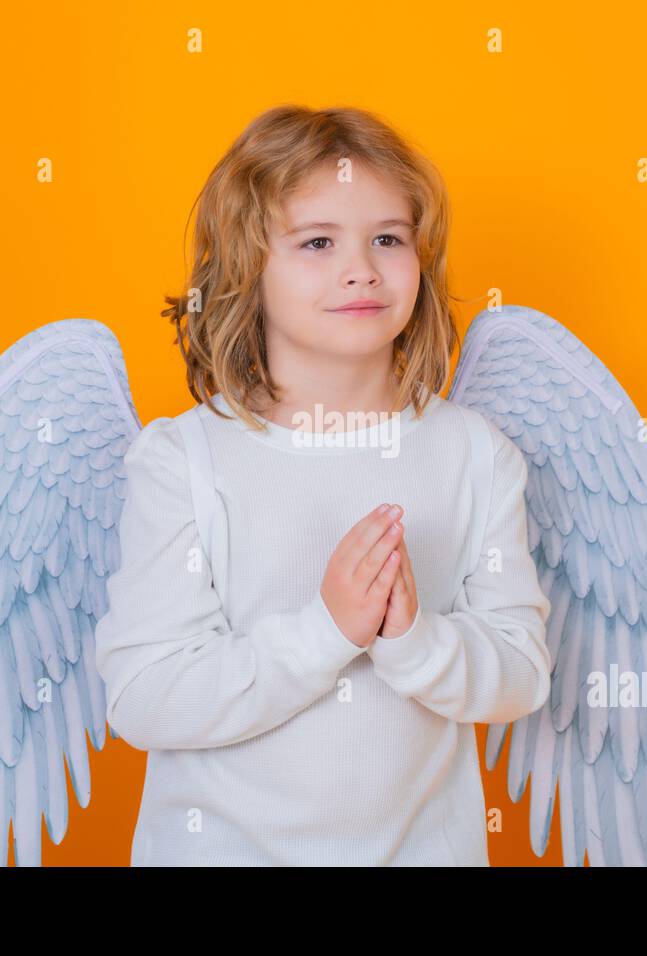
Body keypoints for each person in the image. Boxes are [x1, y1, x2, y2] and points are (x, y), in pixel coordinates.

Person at [94, 104, 552, 865]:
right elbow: (147, 695)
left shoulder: (475, 455)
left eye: (387, 238)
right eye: (317, 242)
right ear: (247, 271)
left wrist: (413, 640)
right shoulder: (184, 462)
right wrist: (328, 633)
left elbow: (520, 675)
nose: (361, 269)